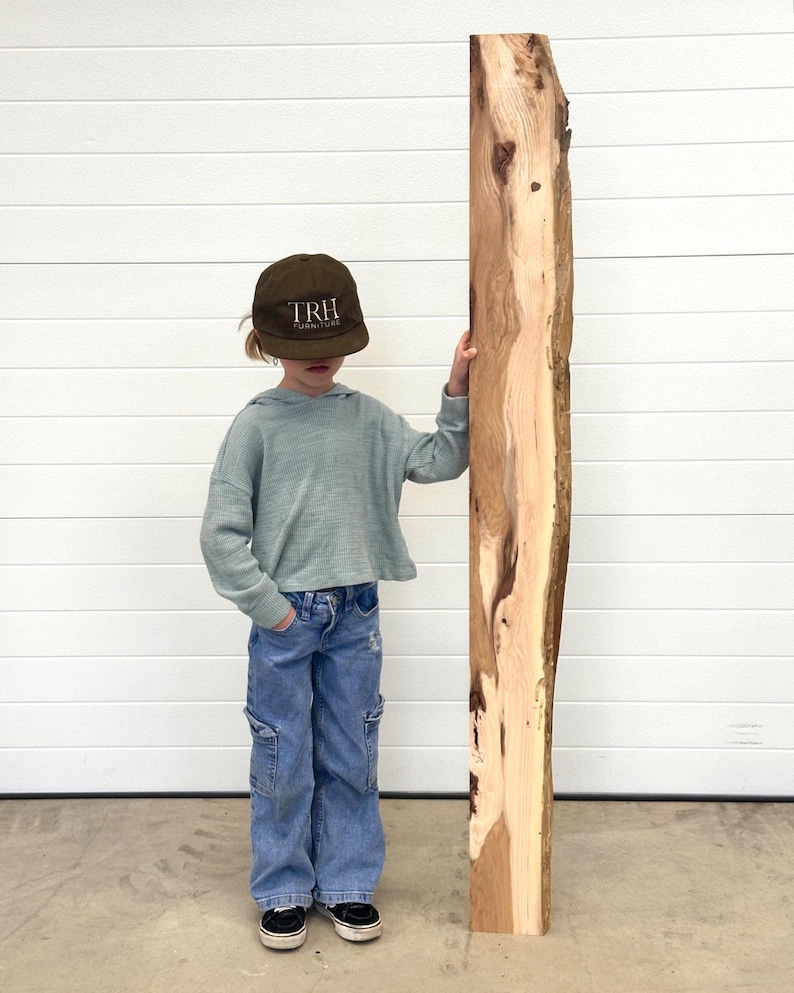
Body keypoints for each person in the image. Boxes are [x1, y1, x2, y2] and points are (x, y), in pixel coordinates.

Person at [200, 253, 475, 950]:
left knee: (352, 751)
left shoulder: (369, 420)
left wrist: (458, 388)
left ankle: (348, 883)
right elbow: (221, 535)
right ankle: (285, 887)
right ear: (266, 345)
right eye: (301, 349)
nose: (319, 361)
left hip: (356, 615)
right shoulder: (256, 426)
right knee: (283, 754)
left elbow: (439, 459)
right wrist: (274, 610)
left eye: (331, 347)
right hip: (286, 619)